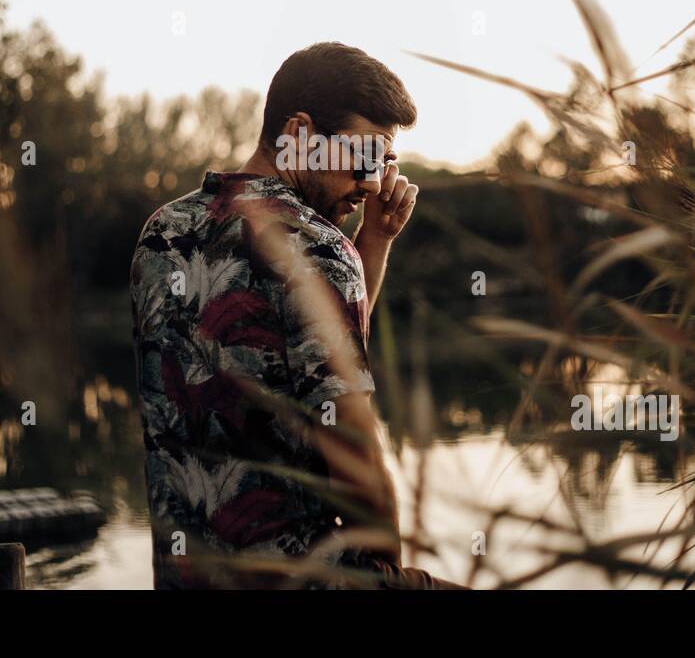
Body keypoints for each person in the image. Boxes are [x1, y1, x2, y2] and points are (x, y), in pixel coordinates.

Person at [130, 42, 459, 588]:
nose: (374, 181)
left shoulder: (162, 234)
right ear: (300, 134)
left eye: (385, 162)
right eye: (365, 156)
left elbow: (316, 351)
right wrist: (385, 574)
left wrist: (372, 242)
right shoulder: (318, 248)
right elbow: (359, 468)